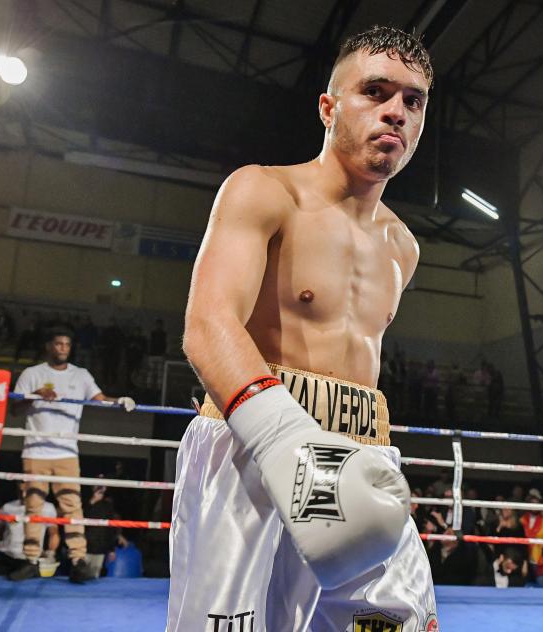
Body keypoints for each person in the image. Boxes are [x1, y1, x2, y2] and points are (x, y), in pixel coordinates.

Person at [168, 25, 437, 630]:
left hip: (363, 450)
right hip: (252, 449)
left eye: (412, 101)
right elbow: (208, 325)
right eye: (375, 91)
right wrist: (283, 439)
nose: (395, 111)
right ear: (328, 106)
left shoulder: (405, 246)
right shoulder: (264, 190)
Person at [8, 328, 136, 583]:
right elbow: (14, 409)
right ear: (49, 346)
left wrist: (119, 401)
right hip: (36, 450)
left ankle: (78, 561)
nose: (63, 348)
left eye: (67, 344)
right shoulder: (32, 374)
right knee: (33, 506)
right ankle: (30, 559)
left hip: (67, 451)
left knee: (72, 507)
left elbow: (99, 399)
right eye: (58, 344)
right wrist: (35, 396)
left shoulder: (81, 375)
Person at [0, 492, 59, 577]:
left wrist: (51, 552)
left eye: (27, 490)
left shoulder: (47, 508)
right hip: (6, 557)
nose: (24, 494)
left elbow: (53, 533)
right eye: (21, 489)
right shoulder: (8, 507)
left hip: (29, 559)